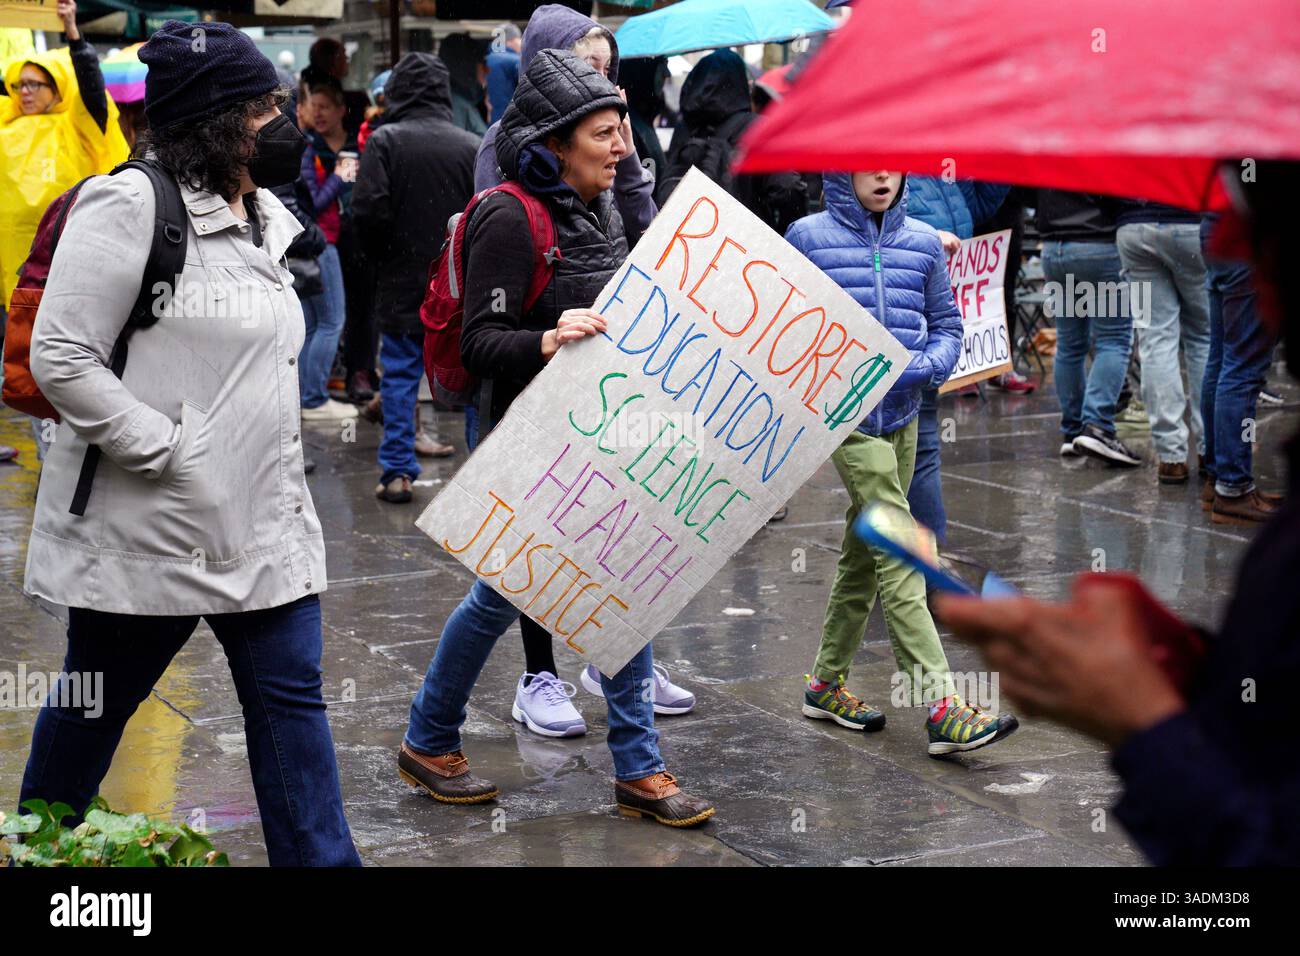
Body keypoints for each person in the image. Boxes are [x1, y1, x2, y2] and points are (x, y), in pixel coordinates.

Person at [18, 20, 359, 866]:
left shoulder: (263, 214)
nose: (279, 120)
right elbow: (59, 354)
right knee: (89, 713)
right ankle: (38, 852)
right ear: (214, 120)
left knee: (293, 712)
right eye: (262, 107)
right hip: (151, 535)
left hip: (265, 528)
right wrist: (165, 448)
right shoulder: (129, 204)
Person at [937, 160, 1299, 866]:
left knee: (1126, 340)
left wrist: (1143, 722)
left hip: (1110, 239)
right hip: (1108, 238)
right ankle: (1121, 429)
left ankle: (1121, 430)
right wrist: (1202, 670)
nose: (1223, 240)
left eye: (1260, 217)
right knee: (1141, 342)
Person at [399, 50, 714, 827]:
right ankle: (430, 736)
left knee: (623, 589)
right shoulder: (510, 214)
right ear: (557, 141)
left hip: (600, 439)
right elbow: (479, 345)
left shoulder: (598, 209)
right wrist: (547, 338)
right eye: (606, 133)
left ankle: (637, 765)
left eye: (623, 130)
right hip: (531, 444)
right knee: (495, 599)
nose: (623, 148)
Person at [785, 171, 1019, 755]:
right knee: (901, 545)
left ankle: (824, 684)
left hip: (907, 415)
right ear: (842, 172)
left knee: (864, 551)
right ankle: (941, 704)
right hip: (846, 419)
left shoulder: (921, 243)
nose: (882, 175)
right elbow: (784, 331)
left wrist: (919, 368)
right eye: (867, 164)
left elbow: (948, 328)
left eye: (892, 162)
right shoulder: (806, 238)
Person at [351, 52, 479, 504]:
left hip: (403, 280)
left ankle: (398, 473)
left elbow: (366, 211)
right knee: (466, 378)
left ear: (400, 91)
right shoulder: (470, 144)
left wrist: (382, 255)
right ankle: (479, 480)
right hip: (457, 287)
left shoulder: (385, 141)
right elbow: (482, 217)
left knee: (401, 378)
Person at [473, 4, 657, 247]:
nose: (603, 81)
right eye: (591, 67)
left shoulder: (609, 138)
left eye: (608, 69)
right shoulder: (503, 139)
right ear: (552, 68)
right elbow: (495, 245)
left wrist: (629, 157)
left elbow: (650, 235)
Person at [901, 175, 1011, 544]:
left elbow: (978, 209)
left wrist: (1002, 169)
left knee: (924, 446)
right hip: (903, 329)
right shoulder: (882, 169)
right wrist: (928, 238)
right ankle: (906, 560)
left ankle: (929, 560)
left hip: (932, 326)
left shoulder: (938, 168)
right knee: (896, 454)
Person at [0, 0, 128, 311]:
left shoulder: (79, 122)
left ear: (58, 87)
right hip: (12, 267)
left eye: (34, 84)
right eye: (19, 85)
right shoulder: (6, 121)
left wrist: (73, 34)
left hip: (69, 256)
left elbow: (91, 88)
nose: (24, 92)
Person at [1037, 189, 1141, 465]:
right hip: (1099, 243)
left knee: (1070, 345)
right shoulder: (1101, 143)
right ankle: (1097, 425)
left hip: (1053, 247)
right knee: (1114, 339)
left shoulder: (1048, 143)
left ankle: (1073, 431)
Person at [659, 49, 808, 237]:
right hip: (745, 245)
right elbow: (787, 188)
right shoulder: (759, 128)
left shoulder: (684, 128)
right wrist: (784, 234)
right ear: (740, 85)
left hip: (690, 239)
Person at [1115, 199, 1211, 484]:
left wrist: (1120, 213)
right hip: (1190, 219)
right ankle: (1211, 449)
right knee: (1204, 338)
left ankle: (1171, 457)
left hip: (1133, 223)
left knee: (1155, 339)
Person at [1198, 213, 1282, 523]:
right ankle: (1233, 487)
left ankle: (1218, 479)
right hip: (1249, 235)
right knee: (1243, 369)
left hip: (1218, 230)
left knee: (1222, 360)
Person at [296, 79, 358, 423]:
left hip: (311, 244)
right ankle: (314, 398)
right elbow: (314, 202)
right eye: (309, 105)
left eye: (323, 106)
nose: (314, 112)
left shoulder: (308, 145)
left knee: (310, 325)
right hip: (322, 242)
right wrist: (339, 176)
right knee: (332, 321)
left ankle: (306, 398)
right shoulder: (306, 148)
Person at [439, 33, 488, 136]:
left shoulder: (461, 101)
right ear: (469, 67)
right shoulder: (457, 106)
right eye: (483, 64)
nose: (487, 70)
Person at [485, 21, 521, 123]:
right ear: (510, 41)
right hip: (510, 124)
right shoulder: (514, 61)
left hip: (492, 124)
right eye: (519, 39)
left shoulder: (486, 60)